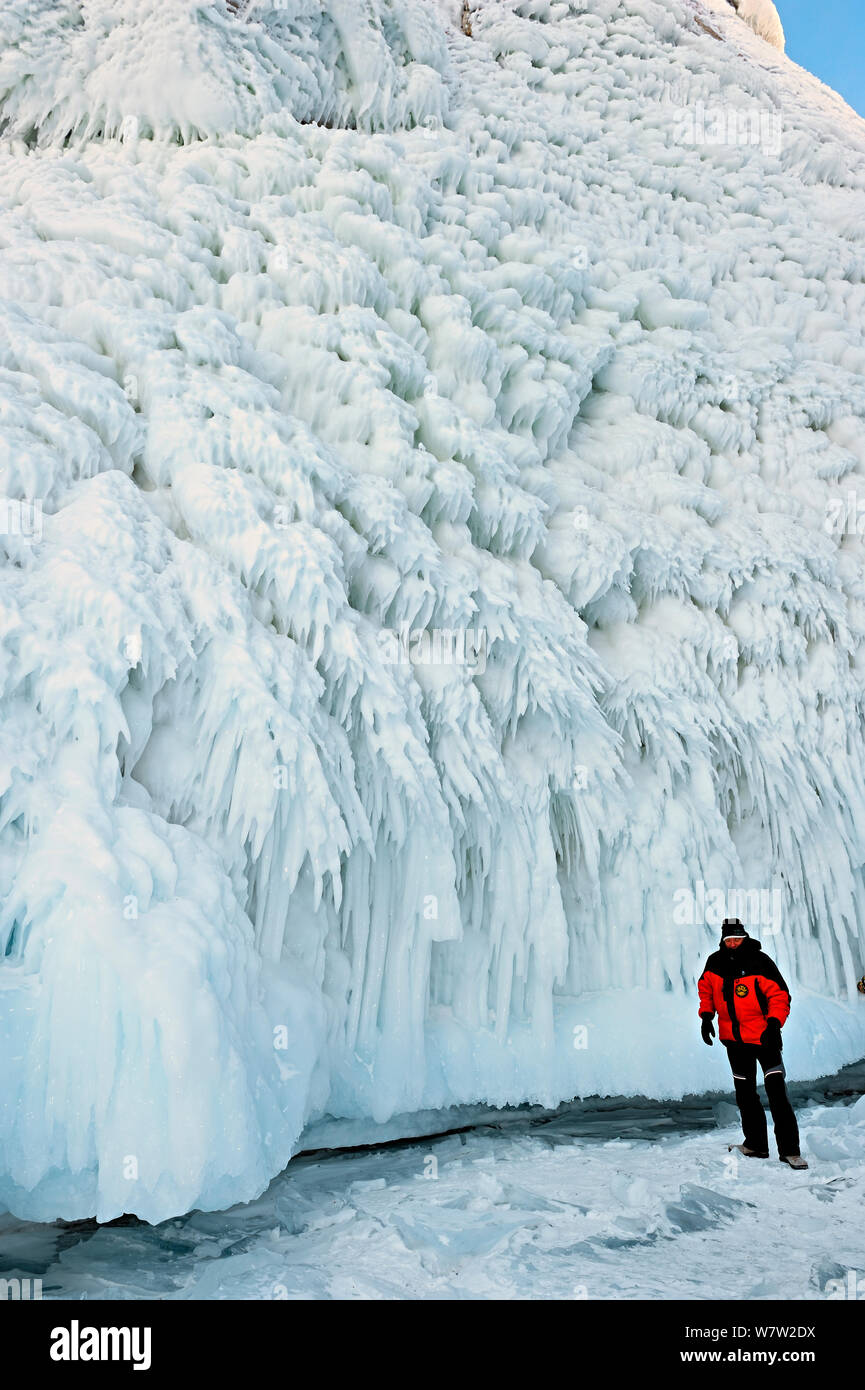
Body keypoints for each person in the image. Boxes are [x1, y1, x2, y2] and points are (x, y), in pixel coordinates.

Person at [698, 917, 808, 1169]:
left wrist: (773, 1024)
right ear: (723, 940)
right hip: (734, 1042)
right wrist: (706, 1016)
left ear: (744, 937)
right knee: (745, 1095)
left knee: (777, 1094)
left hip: (764, 1039)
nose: (734, 943)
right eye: (729, 939)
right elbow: (705, 990)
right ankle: (756, 1145)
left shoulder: (760, 961)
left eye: (737, 938)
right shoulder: (714, 963)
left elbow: (780, 995)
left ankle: (790, 1151)